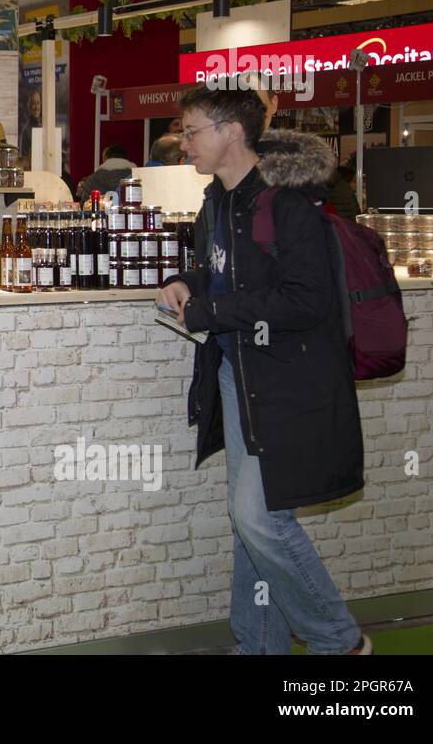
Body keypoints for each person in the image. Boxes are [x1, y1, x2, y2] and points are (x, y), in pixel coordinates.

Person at [156, 85, 370, 656]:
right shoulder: (217, 201)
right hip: (240, 376)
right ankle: (260, 645)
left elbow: (305, 300)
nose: (185, 142)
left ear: (232, 131)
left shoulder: (289, 202)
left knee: (261, 521)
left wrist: (213, 308)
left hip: (289, 382)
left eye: (194, 129)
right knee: (249, 521)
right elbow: (225, 274)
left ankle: (338, 641)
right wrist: (190, 283)